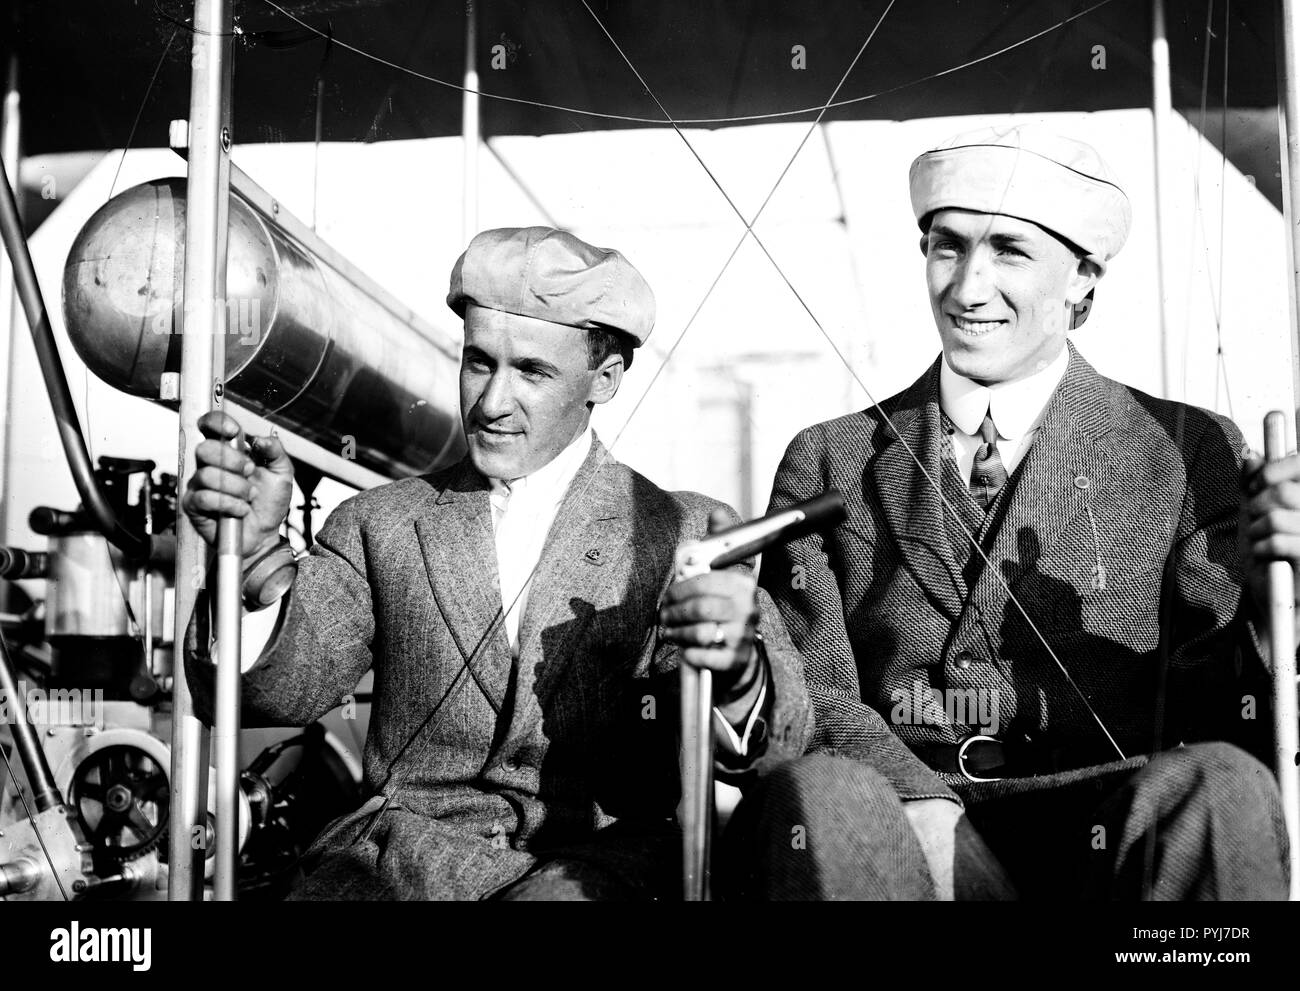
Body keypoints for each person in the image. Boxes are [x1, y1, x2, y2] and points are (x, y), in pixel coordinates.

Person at [183, 226, 934, 900]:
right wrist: (255, 559)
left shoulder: (686, 533)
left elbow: (771, 753)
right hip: (391, 867)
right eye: (479, 362)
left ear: (602, 380)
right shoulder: (380, 525)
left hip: (598, 869)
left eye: (532, 373)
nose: (492, 402)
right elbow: (274, 695)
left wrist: (736, 671)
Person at [759, 125, 1293, 900]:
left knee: (1225, 784)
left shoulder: (1186, 450)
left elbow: (1226, 697)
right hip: (900, 834)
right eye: (948, 247)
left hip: (1115, 833)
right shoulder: (830, 458)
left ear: (1081, 277)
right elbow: (814, 691)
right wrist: (917, 800)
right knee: (825, 800)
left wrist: (1287, 605)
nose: (968, 288)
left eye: (1009, 251)